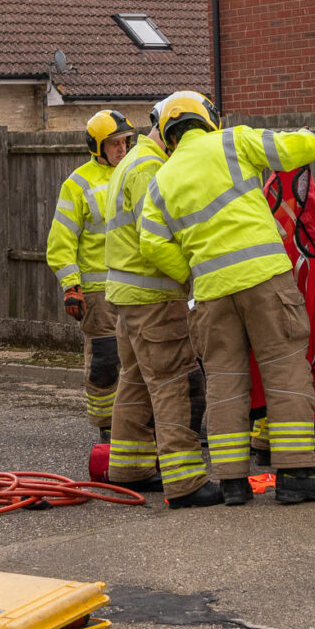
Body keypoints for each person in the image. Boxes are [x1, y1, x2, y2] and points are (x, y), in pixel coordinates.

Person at [138, 93, 315, 505]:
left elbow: (151, 242)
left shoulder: (162, 180)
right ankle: (297, 474)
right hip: (264, 278)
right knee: (285, 372)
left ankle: (231, 483)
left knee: (225, 383)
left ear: (169, 136)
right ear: (206, 119)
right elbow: (303, 148)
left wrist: (191, 273)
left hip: (211, 293)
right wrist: (303, 134)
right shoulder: (233, 141)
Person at [98, 103, 220, 508]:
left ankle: (130, 468)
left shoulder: (130, 162)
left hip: (126, 299)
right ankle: (185, 482)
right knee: (177, 384)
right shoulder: (152, 170)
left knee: (134, 382)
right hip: (154, 298)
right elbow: (157, 238)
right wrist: (193, 275)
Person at [48, 109, 134, 435]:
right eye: (113, 143)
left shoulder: (134, 173)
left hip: (136, 285)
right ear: (97, 146)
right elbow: (61, 240)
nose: (121, 148)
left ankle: (136, 424)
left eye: (124, 141)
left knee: (142, 359)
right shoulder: (77, 184)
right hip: (98, 293)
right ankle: (107, 428)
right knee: (105, 361)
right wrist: (71, 286)